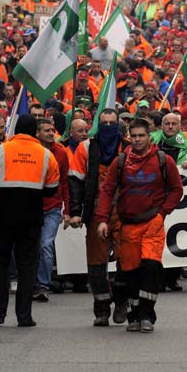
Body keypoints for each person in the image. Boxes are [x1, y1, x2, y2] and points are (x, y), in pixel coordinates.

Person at [95, 119, 184, 333]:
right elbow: (107, 191)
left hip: (153, 224)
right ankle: (134, 316)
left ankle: (147, 316)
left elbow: (176, 190)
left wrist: (161, 214)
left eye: (141, 136)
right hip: (128, 226)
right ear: (129, 137)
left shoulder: (163, 160)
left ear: (149, 137)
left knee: (151, 269)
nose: (137, 140)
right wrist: (102, 219)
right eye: (133, 136)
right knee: (130, 274)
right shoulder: (120, 162)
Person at [0, 115, 60, 327]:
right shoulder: (46, 155)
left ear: (15, 130)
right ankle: (24, 317)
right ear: (35, 132)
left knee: (0, 265)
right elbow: (52, 189)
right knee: (27, 268)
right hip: (31, 219)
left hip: (2, 218)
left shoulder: (0, 151)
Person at [68, 109, 126, 326]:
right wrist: (75, 211)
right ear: (97, 125)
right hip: (95, 211)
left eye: (112, 123)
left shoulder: (128, 147)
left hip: (123, 212)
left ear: (118, 124)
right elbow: (75, 181)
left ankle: (121, 301)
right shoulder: (85, 148)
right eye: (104, 123)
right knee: (96, 262)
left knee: (126, 259)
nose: (108, 126)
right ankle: (102, 309)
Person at [151, 112, 187, 292]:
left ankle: (172, 278)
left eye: (174, 124)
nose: (170, 127)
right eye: (167, 123)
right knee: (158, 237)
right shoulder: (152, 141)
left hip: (180, 199)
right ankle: (158, 278)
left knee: (177, 237)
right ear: (162, 126)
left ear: (180, 126)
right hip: (157, 198)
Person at [34, 118, 70, 302]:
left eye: (52, 130)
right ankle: (29, 281)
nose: (51, 134)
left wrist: (67, 209)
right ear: (37, 133)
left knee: (46, 244)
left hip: (53, 208)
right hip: (31, 208)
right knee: (31, 247)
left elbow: (65, 182)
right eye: (46, 130)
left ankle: (43, 285)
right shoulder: (32, 151)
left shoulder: (61, 153)